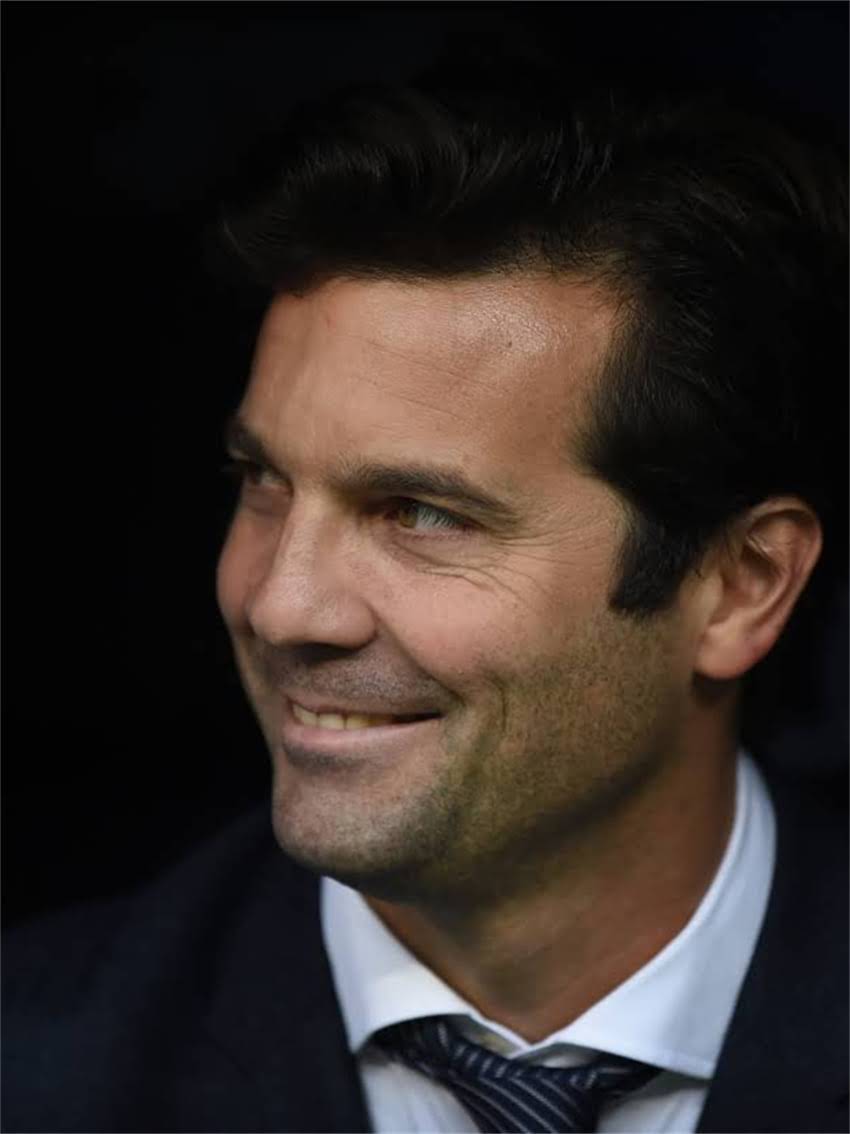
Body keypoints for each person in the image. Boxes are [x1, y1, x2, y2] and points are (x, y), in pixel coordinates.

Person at [4, 59, 847, 1134]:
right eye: (262, 480)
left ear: (739, 587)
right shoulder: (39, 1071)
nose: (280, 608)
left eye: (420, 513)